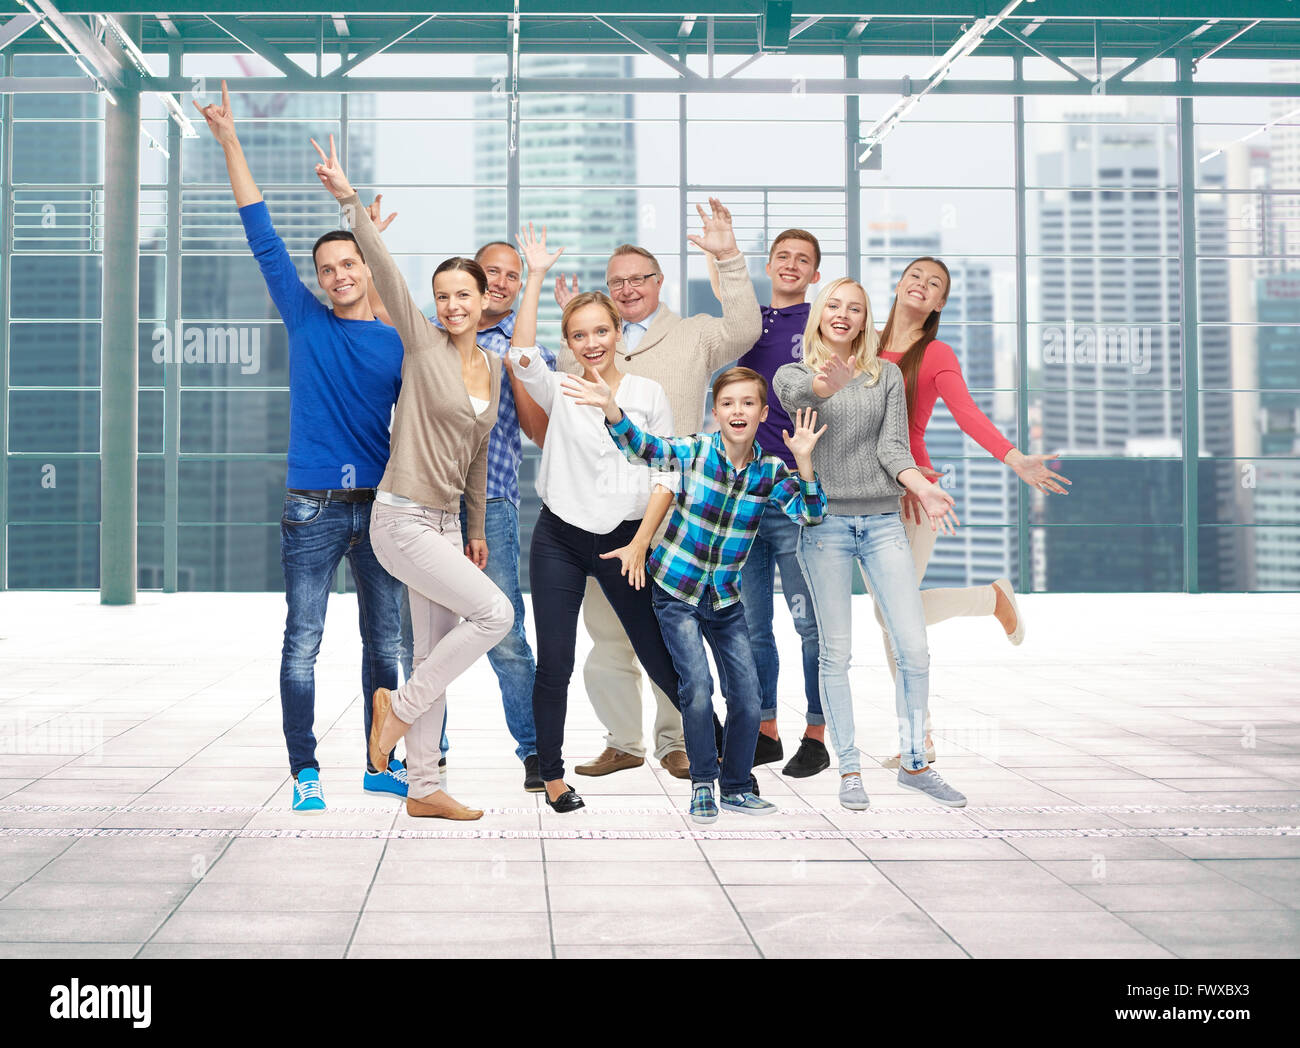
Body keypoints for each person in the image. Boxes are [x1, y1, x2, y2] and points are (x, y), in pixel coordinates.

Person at [194, 83, 408, 814]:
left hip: (380, 509)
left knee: (386, 646)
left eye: (351, 264)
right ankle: (304, 770)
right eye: (328, 269)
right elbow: (261, 232)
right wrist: (230, 141)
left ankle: (381, 763)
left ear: (368, 268)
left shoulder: (398, 343)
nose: (339, 275)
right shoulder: (306, 320)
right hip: (312, 508)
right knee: (302, 644)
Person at [312, 134, 514, 820]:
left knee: (433, 650)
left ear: (484, 300)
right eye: (443, 295)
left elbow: (479, 455)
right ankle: (395, 710)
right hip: (400, 518)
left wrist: (476, 528)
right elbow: (387, 273)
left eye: (464, 295)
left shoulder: (491, 368)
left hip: (448, 523)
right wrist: (349, 201)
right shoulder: (423, 345)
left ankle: (423, 788)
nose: (453, 305)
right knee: (495, 614)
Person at [552, 199, 762, 781]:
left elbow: (745, 328)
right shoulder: (591, 344)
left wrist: (728, 257)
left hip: (675, 509)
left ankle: (678, 741)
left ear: (659, 280)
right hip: (605, 512)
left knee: (673, 631)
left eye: (638, 278)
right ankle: (623, 740)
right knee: (608, 633)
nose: (627, 289)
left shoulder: (694, 334)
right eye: (615, 282)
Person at [567, 365, 828, 824]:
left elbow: (811, 514)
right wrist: (612, 408)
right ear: (716, 412)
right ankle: (704, 783)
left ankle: (737, 787)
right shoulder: (695, 451)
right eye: (727, 403)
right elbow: (644, 448)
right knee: (698, 688)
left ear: (763, 413)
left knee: (748, 696)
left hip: (725, 600)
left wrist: (803, 461)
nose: (737, 410)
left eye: (747, 403)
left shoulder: (769, 472)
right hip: (677, 594)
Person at [774, 278, 968, 810]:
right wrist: (826, 386)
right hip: (825, 528)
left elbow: (893, 448)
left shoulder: (885, 375)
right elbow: (801, 397)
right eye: (834, 305)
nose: (843, 314)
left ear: (866, 320)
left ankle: (915, 763)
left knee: (914, 648)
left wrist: (922, 487)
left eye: (854, 308)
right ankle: (850, 770)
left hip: (883, 522)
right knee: (836, 653)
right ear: (819, 314)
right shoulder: (794, 374)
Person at [876, 256, 1072, 766]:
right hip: (865, 495)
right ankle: (990, 599)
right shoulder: (865, 344)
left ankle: (920, 737)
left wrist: (1014, 457)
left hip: (914, 495)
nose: (922, 285)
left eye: (934, 284)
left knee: (893, 616)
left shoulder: (935, 353)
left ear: (940, 302)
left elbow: (966, 414)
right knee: (889, 615)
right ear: (898, 284)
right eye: (915, 276)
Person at [509, 277, 683, 813]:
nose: (592, 343)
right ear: (567, 342)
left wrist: (641, 544)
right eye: (579, 334)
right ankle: (552, 777)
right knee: (554, 661)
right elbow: (519, 354)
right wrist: (535, 276)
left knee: (658, 652)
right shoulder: (558, 387)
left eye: (601, 331)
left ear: (618, 334)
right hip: (559, 538)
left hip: (626, 541)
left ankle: (717, 748)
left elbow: (666, 472)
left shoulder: (647, 394)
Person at [401, 240, 555, 794]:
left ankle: (536, 752)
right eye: (493, 272)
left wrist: (518, 356)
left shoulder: (523, 346)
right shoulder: (430, 337)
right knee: (419, 638)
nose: (503, 283)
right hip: (424, 504)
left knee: (505, 632)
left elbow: (538, 428)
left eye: (514, 276)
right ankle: (429, 751)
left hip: (490, 504)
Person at [704, 227, 828, 777]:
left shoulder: (823, 322)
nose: (791, 265)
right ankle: (765, 729)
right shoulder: (748, 322)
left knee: (810, 626)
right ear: (769, 264)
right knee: (753, 626)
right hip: (745, 494)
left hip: (796, 492)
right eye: (782, 256)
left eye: (803, 259)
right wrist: (718, 253)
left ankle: (817, 734)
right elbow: (724, 291)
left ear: (815, 274)